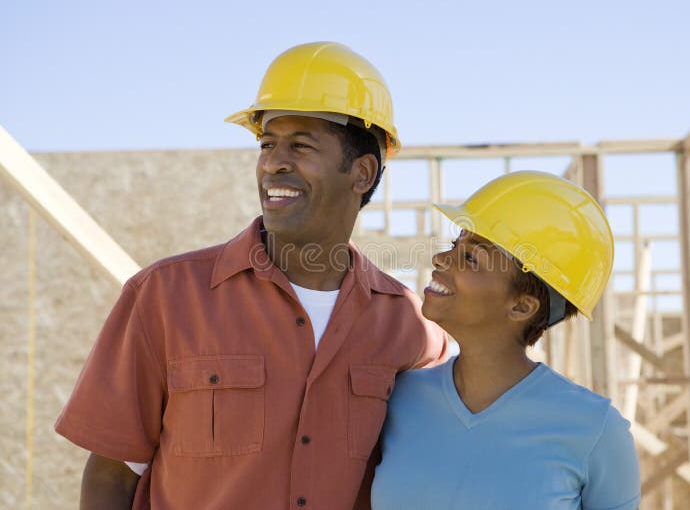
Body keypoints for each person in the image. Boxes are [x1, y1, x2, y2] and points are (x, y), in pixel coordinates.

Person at [55, 42, 448, 509]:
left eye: (300, 145)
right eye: (266, 144)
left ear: (362, 173)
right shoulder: (164, 296)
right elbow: (111, 476)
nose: (273, 162)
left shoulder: (412, 328)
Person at [371, 171, 641, 509]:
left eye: (471, 258)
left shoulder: (595, 430)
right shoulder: (397, 398)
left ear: (521, 306)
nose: (440, 259)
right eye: (455, 246)